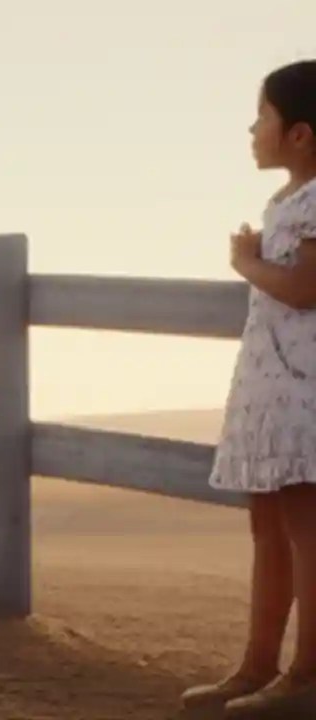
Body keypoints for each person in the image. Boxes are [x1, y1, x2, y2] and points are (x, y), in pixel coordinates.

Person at [180, 59, 316, 719]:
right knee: (268, 527)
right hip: (274, 391)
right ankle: (257, 667)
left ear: (301, 134)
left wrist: (246, 262)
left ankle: (305, 677)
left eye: (263, 115)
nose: (252, 128)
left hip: (306, 394)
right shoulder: (287, 201)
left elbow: (305, 288)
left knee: (304, 529)